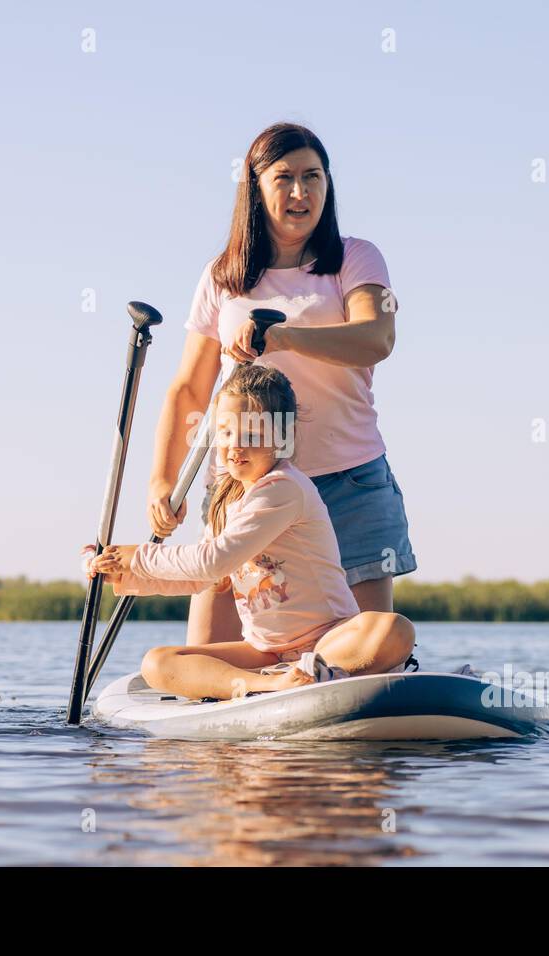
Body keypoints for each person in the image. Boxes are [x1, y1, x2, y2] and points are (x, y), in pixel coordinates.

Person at [145, 122, 417, 647]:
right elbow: (188, 390)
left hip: (348, 480)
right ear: (256, 186)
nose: (301, 192)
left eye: (313, 177)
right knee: (207, 656)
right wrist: (161, 480)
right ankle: (257, 695)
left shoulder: (357, 259)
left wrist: (285, 338)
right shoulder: (222, 276)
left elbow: (377, 338)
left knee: (367, 653)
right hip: (239, 485)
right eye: (284, 177)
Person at [84, 364, 415, 701]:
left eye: (252, 435)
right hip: (267, 654)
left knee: (392, 629)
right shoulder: (228, 500)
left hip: (329, 639)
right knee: (157, 663)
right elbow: (206, 579)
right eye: (226, 433)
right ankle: (272, 684)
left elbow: (212, 561)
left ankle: (314, 671)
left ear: (283, 438)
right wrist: (122, 573)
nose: (235, 446)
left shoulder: (284, 488)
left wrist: (137, 558)